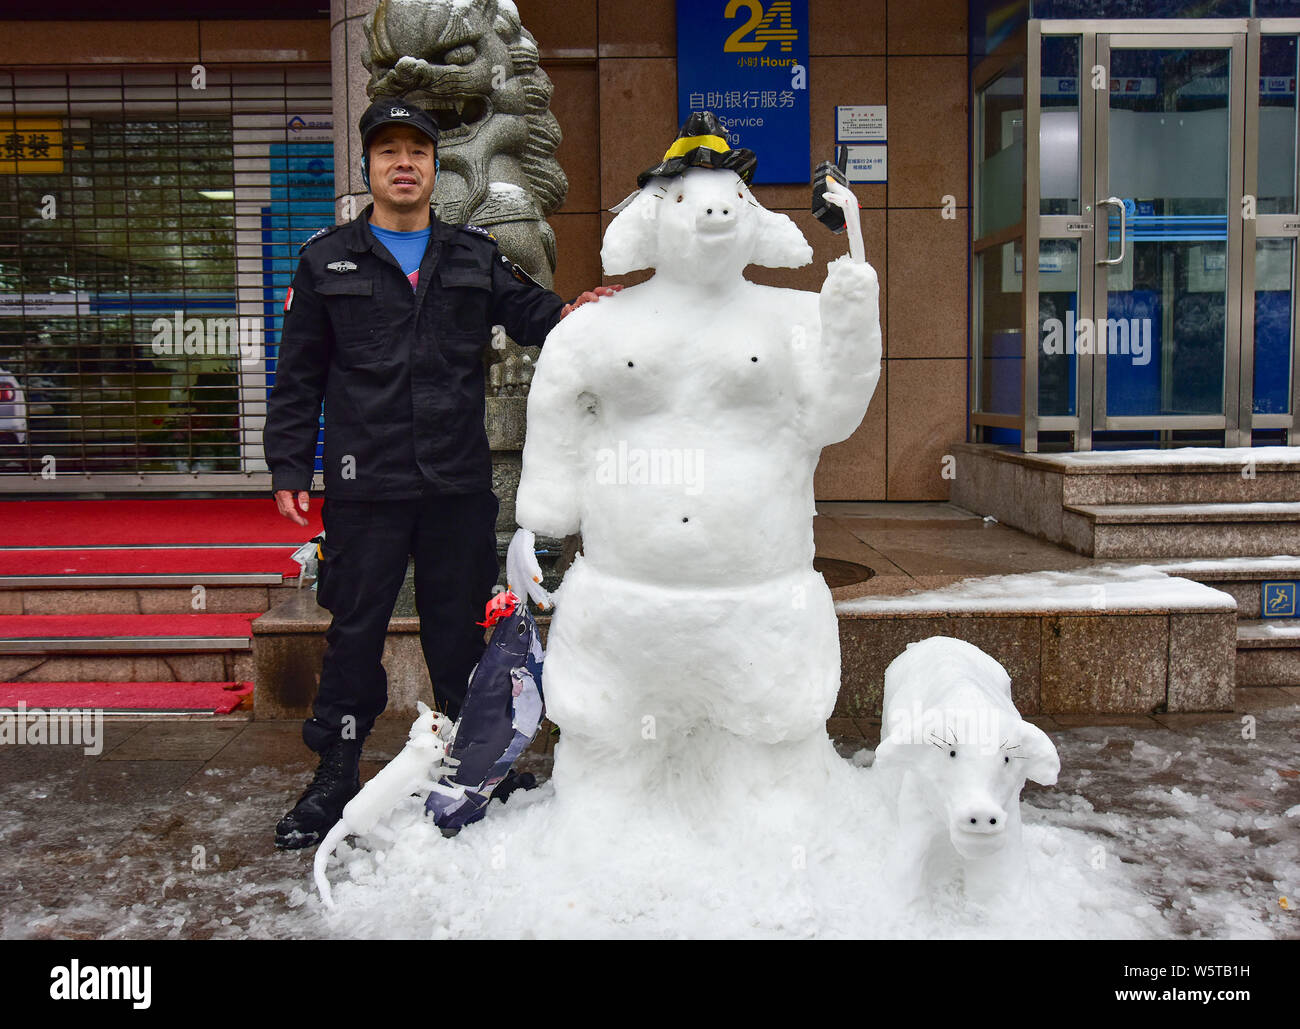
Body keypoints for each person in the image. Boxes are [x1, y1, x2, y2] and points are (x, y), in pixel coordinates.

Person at [265, 98, 613, 849]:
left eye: (416, 152)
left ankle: (472, 764)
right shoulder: (326, 260)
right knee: (354, 634)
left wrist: (579, 310)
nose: (402, 163)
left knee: (459, 635)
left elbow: (534, 313)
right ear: (368, 167)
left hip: (455, 484)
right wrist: (289, 461)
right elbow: (298, 374)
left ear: (432, 167)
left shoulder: (471, 254)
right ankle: (335, 774)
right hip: (367, 489)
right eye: (387, 150)